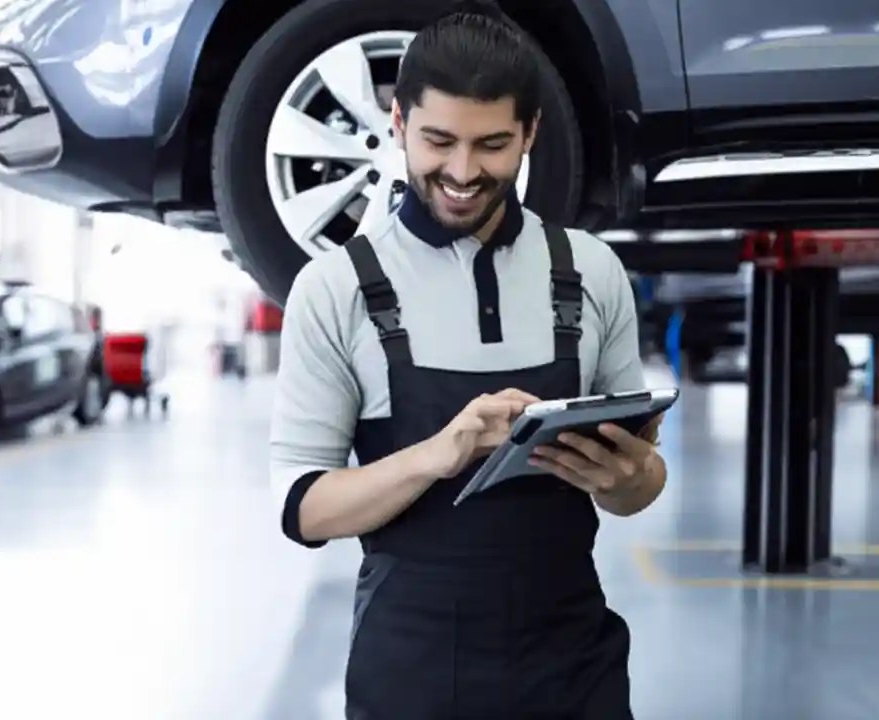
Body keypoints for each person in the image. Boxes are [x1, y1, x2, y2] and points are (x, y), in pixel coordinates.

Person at [268, 2, 669, 717]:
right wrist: (439, 454)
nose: (462, 171)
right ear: (398, 123)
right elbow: (304, 509)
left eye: (492, 145)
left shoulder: (590, 271)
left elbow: (636, 490)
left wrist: (631, 478)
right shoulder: (336, 288)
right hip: (412, 671)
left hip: (575, 666)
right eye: (438, 140)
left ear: (530, 133)